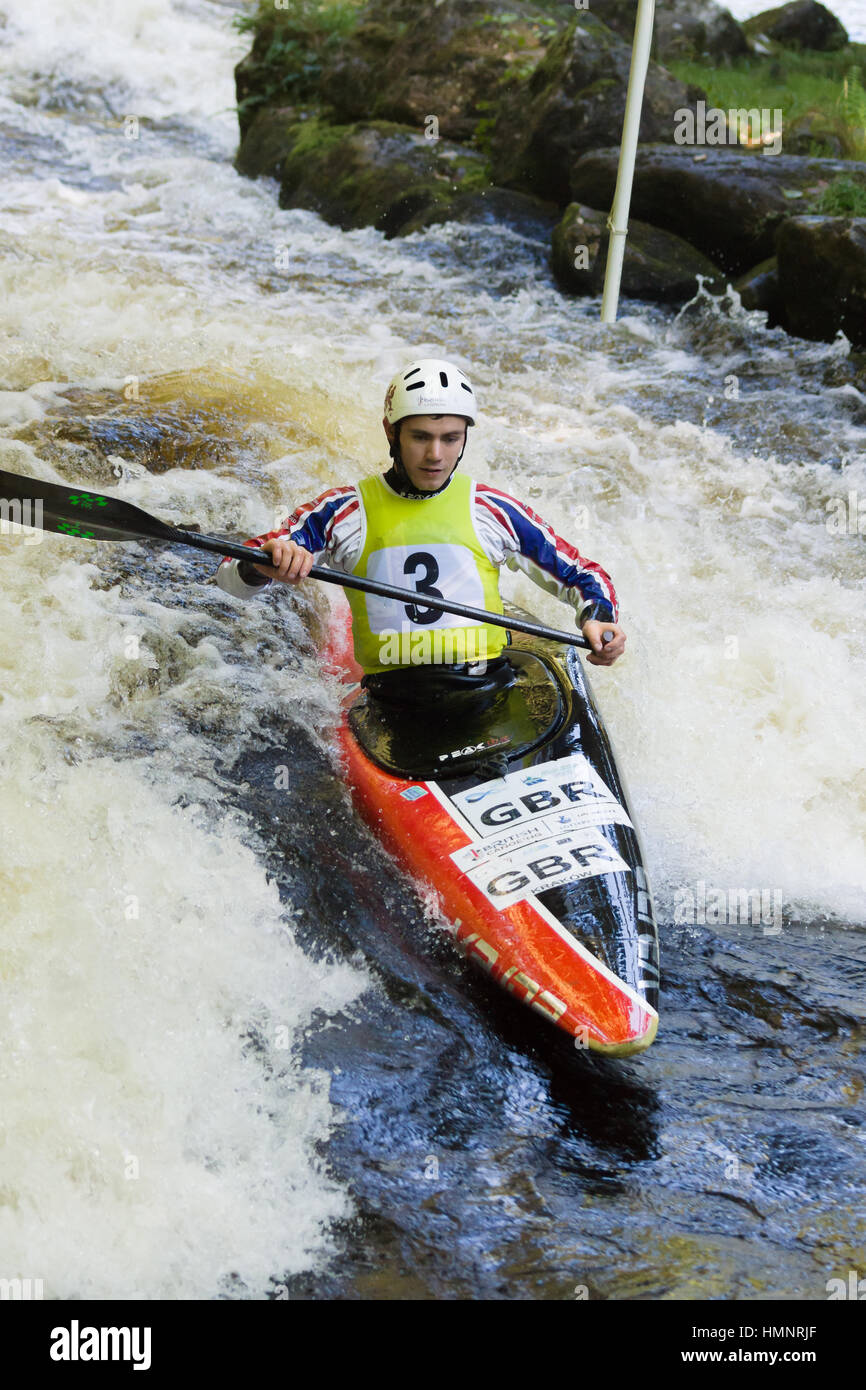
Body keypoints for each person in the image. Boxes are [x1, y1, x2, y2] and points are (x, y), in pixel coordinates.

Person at [216, 358, 625, 705]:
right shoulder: (342, 511)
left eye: (451, 439)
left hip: (487, 688)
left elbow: (583, 574)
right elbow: (231, 575)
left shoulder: (493, 510)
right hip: (394, 699)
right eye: (420, 438)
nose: (436, 455)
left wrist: (598, 620)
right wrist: (265, 565)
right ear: (391, 432)